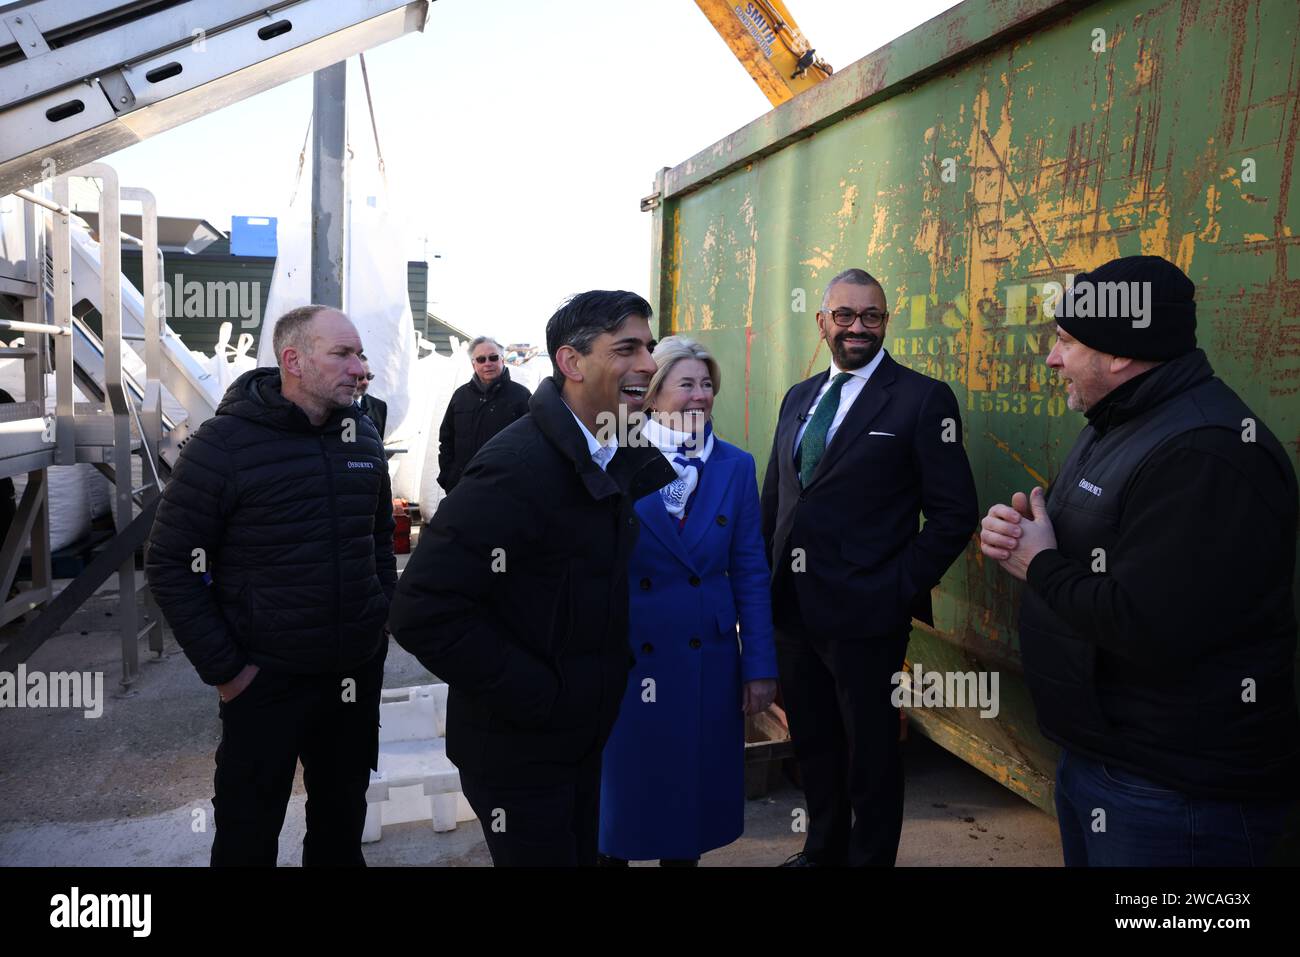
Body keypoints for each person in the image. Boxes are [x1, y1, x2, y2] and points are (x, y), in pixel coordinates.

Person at [978, 255, 1300, 866]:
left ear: (1121, 352)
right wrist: (1025, 533)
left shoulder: (1207, 453)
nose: (1052, 358)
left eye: (1067, 341)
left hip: (1176, 794)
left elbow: (1148, 625)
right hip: (1107, 760)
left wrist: (1037, 563)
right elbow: (1099, 552)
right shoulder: (1118, 422)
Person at [389, 291, 676, 866]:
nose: (648, 363)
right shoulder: (519, 466)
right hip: (521, 754)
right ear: (572, 363)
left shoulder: (607, 451)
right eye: (627, 348)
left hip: (578, 740)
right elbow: (421, 608)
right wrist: (543, 697)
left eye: (648, 346)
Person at [146, 304, 395, 867]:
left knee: (340, 826)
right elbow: (169, 564)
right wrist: (229, 672)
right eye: (343, 354)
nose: (361, 367)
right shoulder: (224, 445)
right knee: (247, 834)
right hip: (265, 680)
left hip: (352, 676)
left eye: (360, 354)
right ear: (293, 360)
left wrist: (380, 615)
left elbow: (377, 536)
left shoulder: (362, 434)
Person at [761, 267, 978, 867]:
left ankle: (870, 859)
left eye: (872, 316)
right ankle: (821, 850)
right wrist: (760, 591)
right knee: (814, 741)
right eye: (846, 316)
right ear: (822, 321)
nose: (858, 327)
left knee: (871, 751)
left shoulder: (922, 398)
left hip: (868, 617)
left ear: (886, 320)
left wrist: (895, 590)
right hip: (791, 609)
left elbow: (956, 515)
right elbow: (776, 502)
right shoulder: (798, 397)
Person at [598, 336, 777, 867]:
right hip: (628, 659)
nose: (700, 396)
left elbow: (750, 569)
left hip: (707, 661)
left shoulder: (736, 465)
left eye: (707, 385)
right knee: (620, 804)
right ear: (652, 395)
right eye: (687, 385)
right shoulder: (613, 456)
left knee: (687, 808)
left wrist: (760, 667)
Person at [437, 336, 531, 493]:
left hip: (508, 489)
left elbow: (533, 444)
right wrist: (449, 477)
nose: (488, 363)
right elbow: (446, 440)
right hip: (464, 486)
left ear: (502, 360)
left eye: (493, 358)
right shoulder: (460, 396)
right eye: (481, 359)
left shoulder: (521, 396)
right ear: (473, 364)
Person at [355, 356, 388, 441]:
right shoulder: (330, 406)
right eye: (360, 377)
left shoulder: (379, 407)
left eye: (369, 376)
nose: (366, 382)